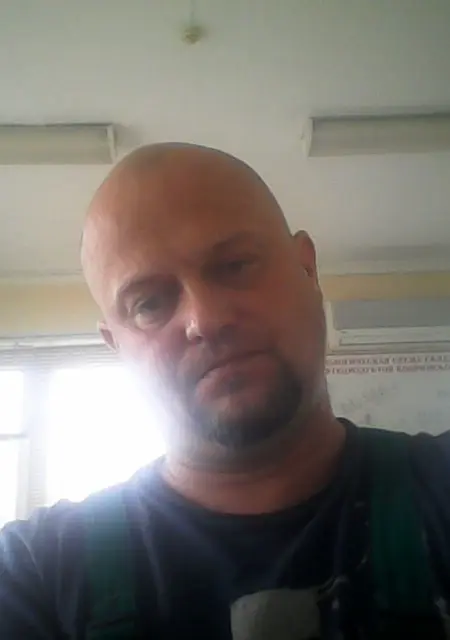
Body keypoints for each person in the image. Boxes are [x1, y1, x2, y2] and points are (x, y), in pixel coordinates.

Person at [0, 143, 449, 640]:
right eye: (149, 304)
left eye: (235, 265)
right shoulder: (32, 576)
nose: (205, 319)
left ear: (307, 269)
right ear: (117, 346)